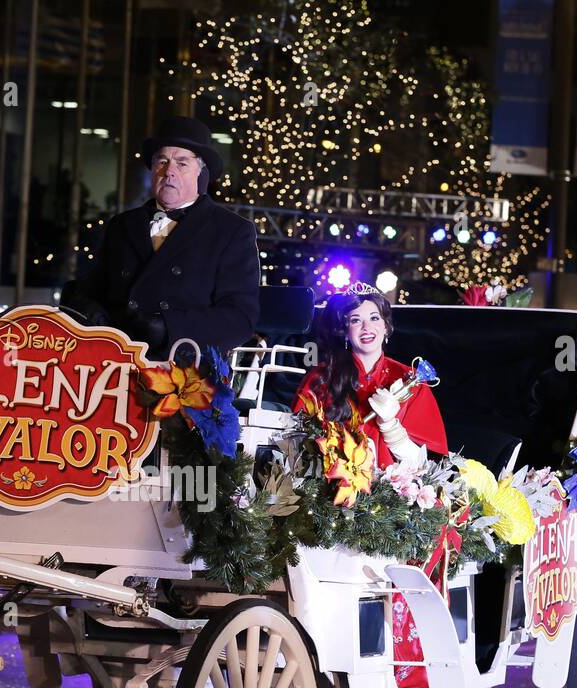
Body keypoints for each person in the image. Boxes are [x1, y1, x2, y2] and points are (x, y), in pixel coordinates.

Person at [59, 116, 260, 361]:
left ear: (201, 172)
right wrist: (87, 308)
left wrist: (170, 328)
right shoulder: (122, 225)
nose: (169, 172)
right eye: (162, 161)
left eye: (182, 163)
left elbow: (240, 318)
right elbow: (88, 287)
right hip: (113, 363)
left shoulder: (231, 231)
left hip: (184, 369)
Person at [293, 286, 448, 468]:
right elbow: (296, 444)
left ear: (386, 326)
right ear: (345, 331)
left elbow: (428, 466)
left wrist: (390, 426)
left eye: (374, 318)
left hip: (393, 489)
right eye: (356, 320)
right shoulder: (321, 378)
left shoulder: (411, 382)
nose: (367, 327)